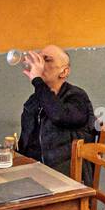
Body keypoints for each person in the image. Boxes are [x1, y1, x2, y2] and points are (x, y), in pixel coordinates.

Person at [16, 45, 95, 173]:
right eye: (39, 59)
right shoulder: (35, 99)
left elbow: (59, 116)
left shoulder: (77, 96)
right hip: (36, 172)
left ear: (64, 72)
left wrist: (37, 80)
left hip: (68, 176)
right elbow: (25, 140)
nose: (39, 65)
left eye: (47, 60)